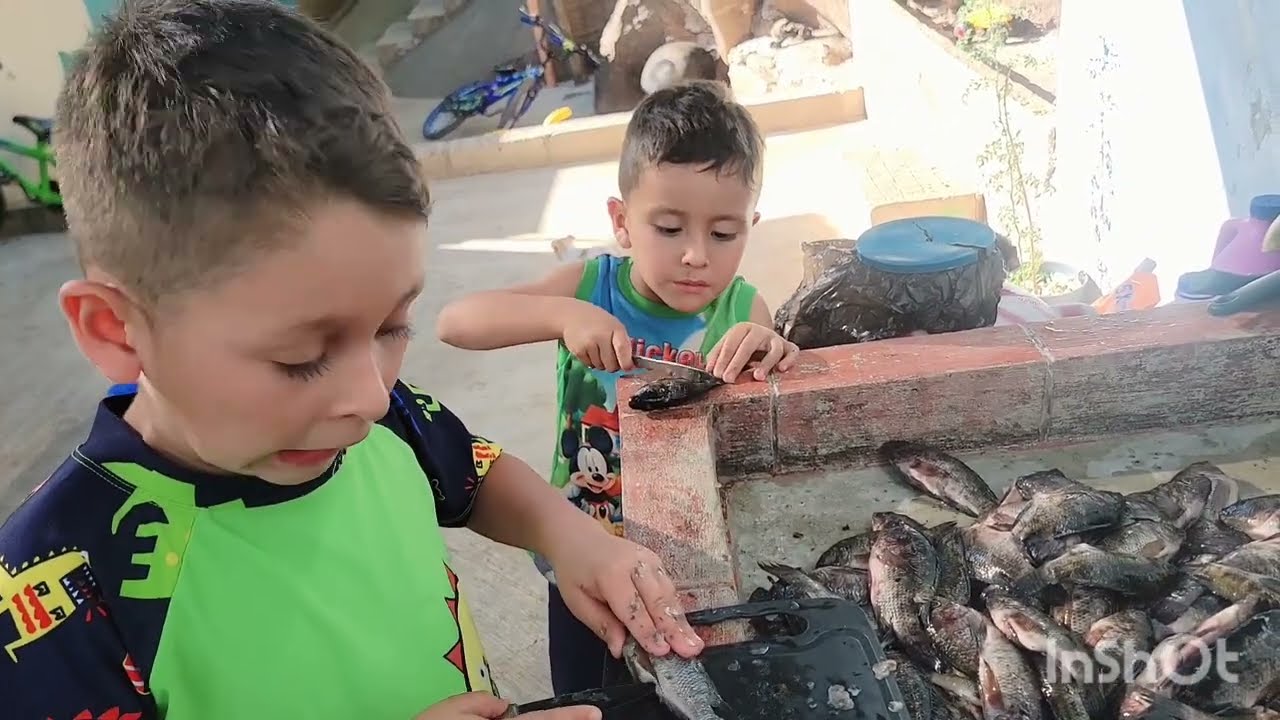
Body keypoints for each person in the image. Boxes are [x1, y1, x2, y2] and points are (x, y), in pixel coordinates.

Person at [0, 1, 703, 718]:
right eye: (302, 356)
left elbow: (472, 472)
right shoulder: (57, 587)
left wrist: (571, 537)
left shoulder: (380, 416)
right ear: (117, 331)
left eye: (392, 325)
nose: (370, 396)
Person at [436, 79, 800, 695]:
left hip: (690, 556)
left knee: (687, 689)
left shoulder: (743, 307)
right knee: (590, 690)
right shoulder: (589, 286)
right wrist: (561, 316)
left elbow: (766, 408)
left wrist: (775, 348)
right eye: (669, 228)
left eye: (722, 233)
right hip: (585, 546)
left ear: (750, 226)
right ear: (622, 221)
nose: (695, 256)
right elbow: (456, 322)